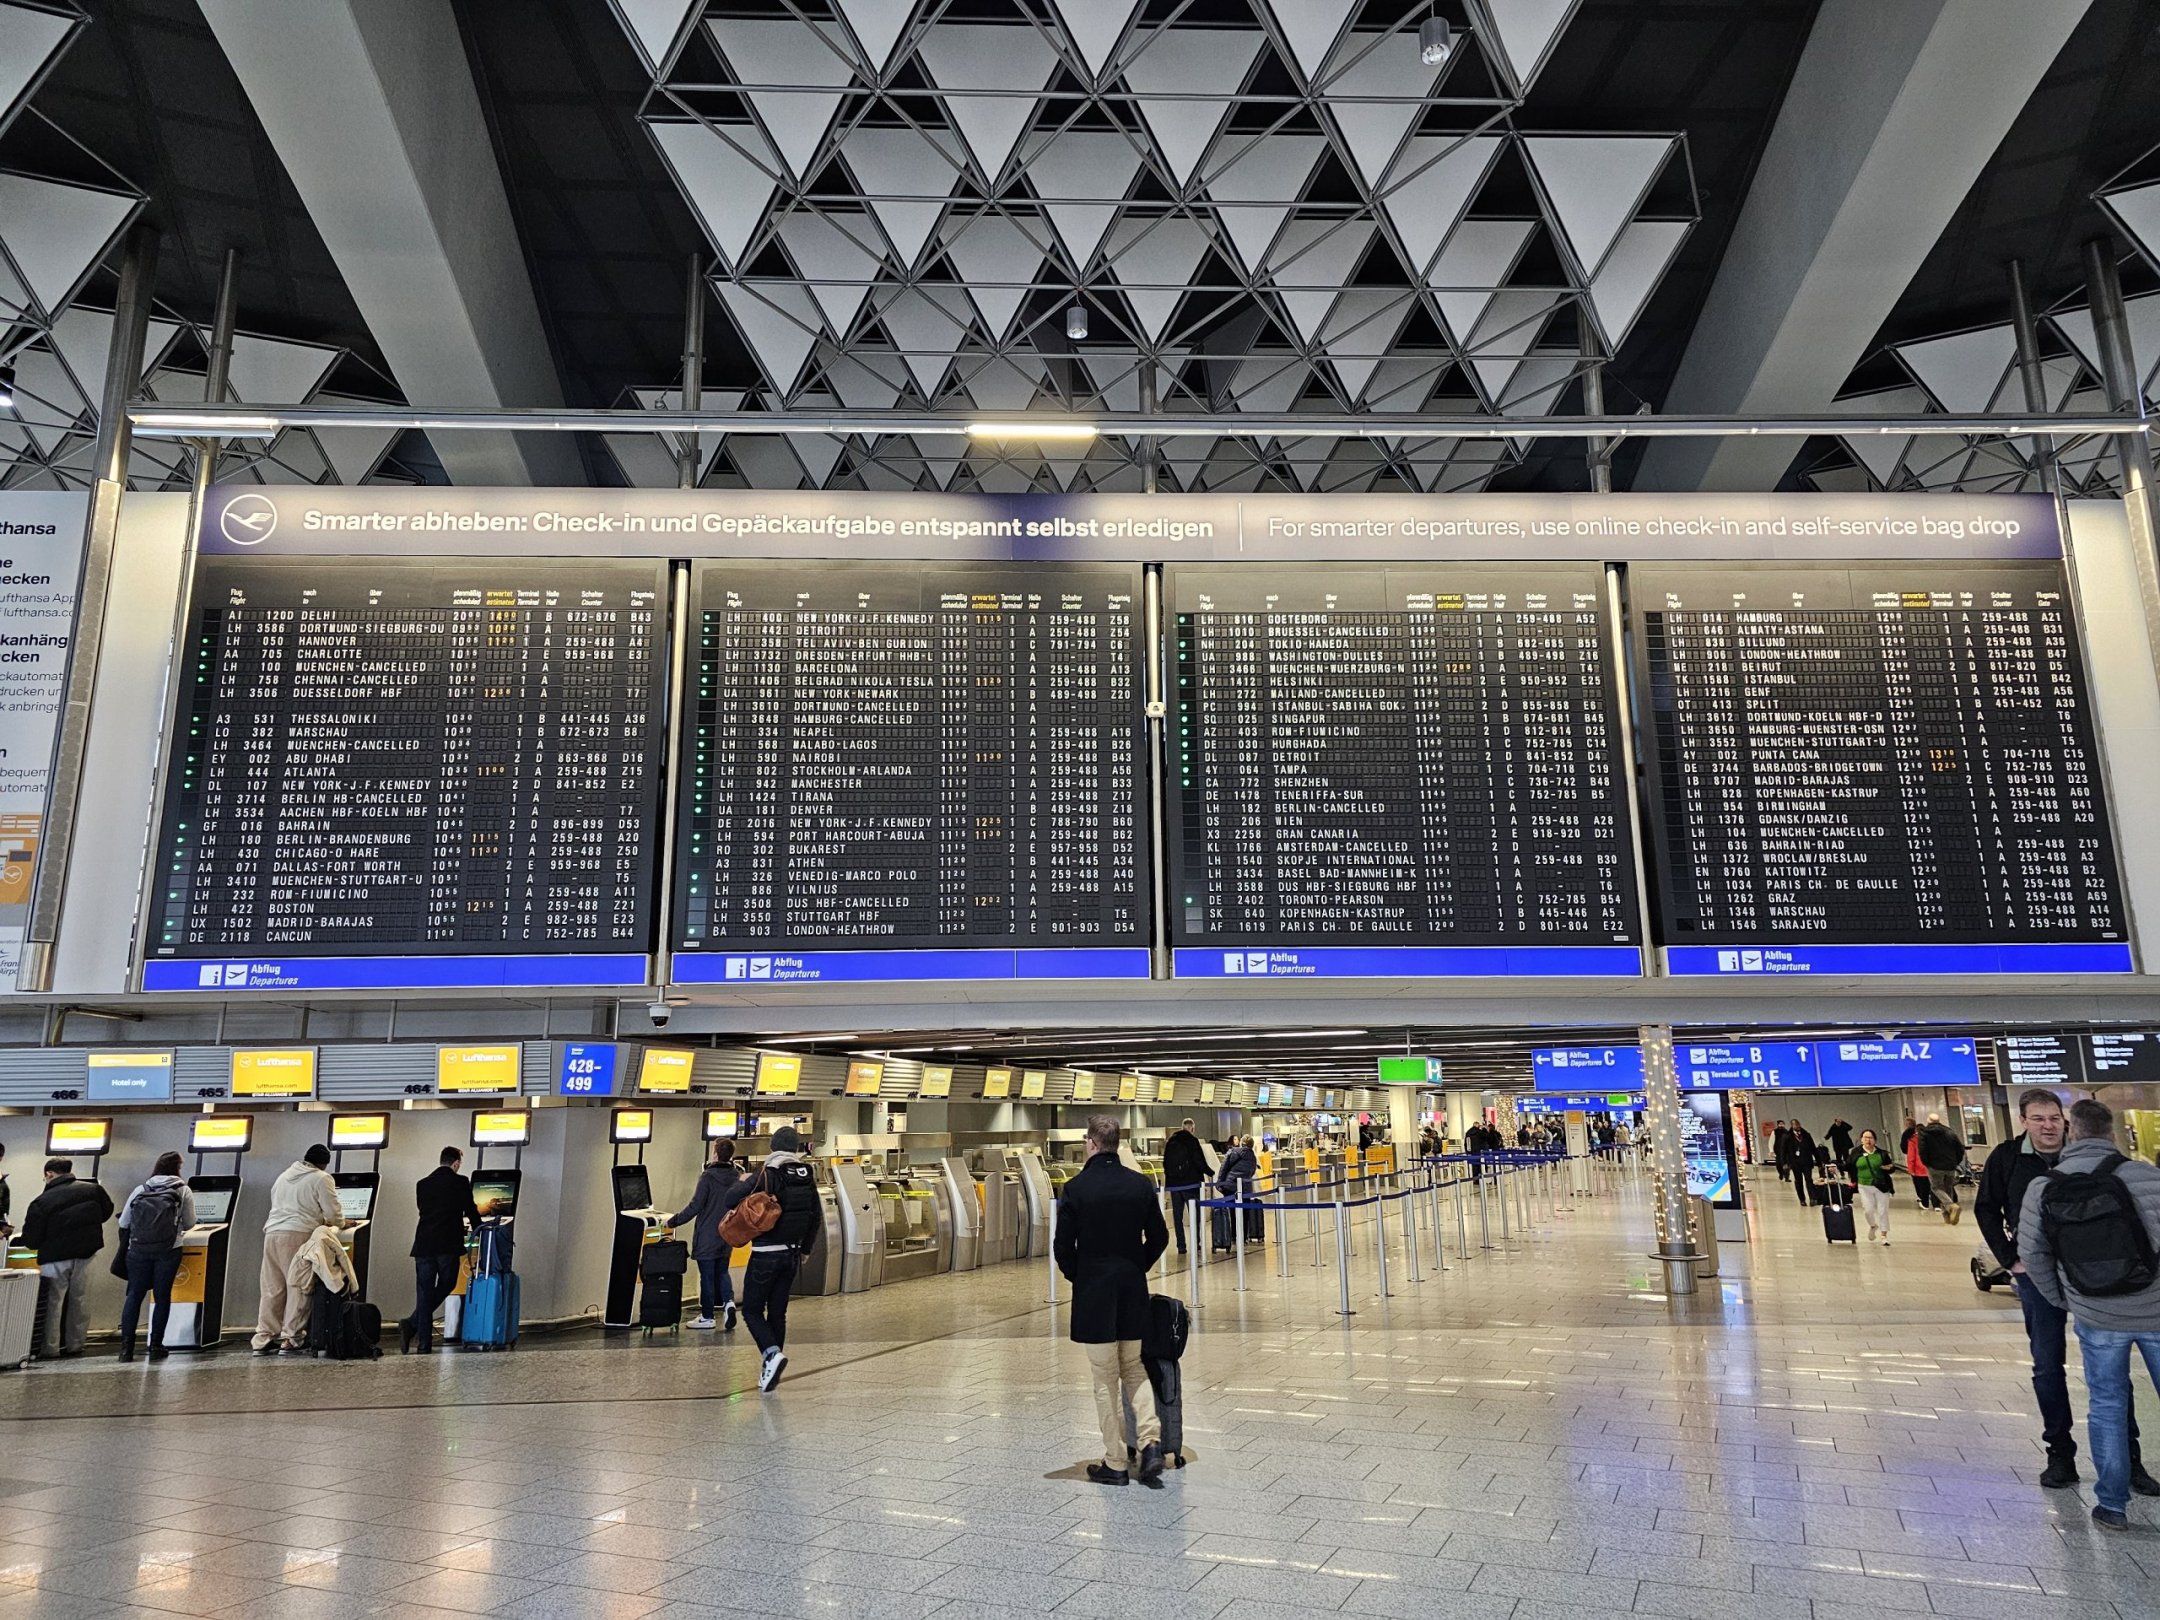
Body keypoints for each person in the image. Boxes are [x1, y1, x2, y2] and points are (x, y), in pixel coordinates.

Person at [1978, 1089, 2156, 1493]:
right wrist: (2011, 1259)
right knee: (2047, 1366)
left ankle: (2129, 1459)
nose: (2048, 1126)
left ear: (2067, 1122)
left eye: (2054, 1118)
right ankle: (2060, 1453)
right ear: (2023, 1121)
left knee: (2111, 1367)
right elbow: (1986, 1208)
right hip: (2039, 1277)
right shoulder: (2007, 1158)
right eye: (2038, 1119)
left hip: (2100, 1277)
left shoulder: (2087, 1156)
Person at [2017, 1098, 2160, 1529]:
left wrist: (2067, 1299)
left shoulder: (2043, 1187)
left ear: (2071, 1132)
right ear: (2113, 1134)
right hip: (2155, 1311)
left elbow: (2032, 1253)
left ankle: (2112, 1505)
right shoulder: (2146, 1176)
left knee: (2107, 1405)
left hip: (2096, 1317)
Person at [1053, 1115, 1170, 1486]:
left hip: (1094, 1293)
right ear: (1117, 1144)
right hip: (1131, 1287)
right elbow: (1160, 1236)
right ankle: (1150, 1443)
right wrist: (1138, 1265)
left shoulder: (1075, 1188)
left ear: (1090, 1143)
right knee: (1134, 1367)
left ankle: (1116, 1462)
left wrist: (1081, 1276)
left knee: (1105, 1376)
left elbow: (1062, 1248)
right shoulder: (1139, 1184)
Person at [719, 1126, 820, 1391]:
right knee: (778, 1312)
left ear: (773, 1147)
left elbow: (729, 1200)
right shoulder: (807, 1175)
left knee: (752, 1310)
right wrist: (806, 1249)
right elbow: (815, 1216)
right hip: (792, 1254)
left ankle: (772, 1354)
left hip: (765, 1254)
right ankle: (771, 1366)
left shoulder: (767, 1173)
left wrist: (743, 1183)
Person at [18, 1157, 113, 1359]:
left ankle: (50, 1348)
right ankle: (75, 1344)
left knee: (53, 1302)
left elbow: (32, 1240)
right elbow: (106, 1212)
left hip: (55, 1258)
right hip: (86, 1254)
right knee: (80, 1300)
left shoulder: (42, 1201)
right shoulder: (94, 1190)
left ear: (49, 1174)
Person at [254, 1144, 342, 1355]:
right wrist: (340, 1222)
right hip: (299, 1234)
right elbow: (332, 1212)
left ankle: (264, 1338)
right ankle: (291, 1338)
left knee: (272, 1288)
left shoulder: (283, 1176)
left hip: (272, 1233)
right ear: (323, 1164)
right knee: (299, 1285)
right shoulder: (321, 1177)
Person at [401, 1146, 481, 1355]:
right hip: (447, 1245)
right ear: (456, 1163)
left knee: (424, 1292)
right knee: (447, 1283)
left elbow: (423, 1210)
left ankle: (422, 1343)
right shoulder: (461, 1182)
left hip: (424, 1245)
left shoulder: (423, 1184)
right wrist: (480, 1229)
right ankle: (411, 1323)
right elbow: (470, 1210)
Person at [115, 1151, 194, 1363]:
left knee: (134, 1296)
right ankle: (156, 1345)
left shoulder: (141, 1189)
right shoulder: (183, 1189)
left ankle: (126, 1349)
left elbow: (123, 1222)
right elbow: (190, 1223)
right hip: (169, 1250)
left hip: (138, 1251)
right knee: (162, 1297)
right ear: (177, 1168)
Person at [669, 1138, 742, 1331]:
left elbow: (696, 1206)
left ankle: (708, 1316)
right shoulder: (736, 1175)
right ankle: (728, 1303)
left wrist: (674, 1220)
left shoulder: (708, 1177)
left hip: (707, 1235)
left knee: (707, 1277)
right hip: (726, 1233)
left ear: (716, 1153)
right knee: (722, 1271)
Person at [1160, 1119, 1208, 1256]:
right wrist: (1208, 1174)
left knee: (1177, 1216)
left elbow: (1165, 1163)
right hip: (1191, 1185)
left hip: (1175, 1186)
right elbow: (1199, 1162)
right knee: (1195, 1216)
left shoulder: (1171, 1141)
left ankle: (1181, 1246)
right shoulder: (1192, 1141)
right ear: (1192, 1128)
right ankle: (1196, 1242)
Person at [1918, 1113, 1966, 1224]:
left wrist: (1927, 1163)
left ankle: (1951, 1207)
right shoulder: (1950, 1132)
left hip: (1934, 1166)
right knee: (1948, 1188)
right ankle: (1948, 1216)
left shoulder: (1924, 1133)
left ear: (1928, 1121)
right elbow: (1960, 1149)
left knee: (1936, 1188)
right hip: (1950, 1165)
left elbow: (1922, 1150)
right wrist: (1955, 1162)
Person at [1850, 1130, 1894, 1244]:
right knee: (1868, 1211)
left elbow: (1891, 1167)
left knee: (1882, 1211)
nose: (1867, 1140)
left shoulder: (1882, 1153)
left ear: (1875, 1140)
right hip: (1864, 1186)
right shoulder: (1856, 1152)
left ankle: (1884, 1236)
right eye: (1865, 1137)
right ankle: (1873, 1226)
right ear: (1861, 1139)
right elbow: (1848, 1165)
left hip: (1881, 1186)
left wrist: (1889, 1168)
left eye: (1870, 1138)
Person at [1216, 1134, 1259, 1247]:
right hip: (1245, 1188)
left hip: (1230, 1186)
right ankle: (1243, 1236)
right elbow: (1252, 1172)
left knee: (1232, 1212)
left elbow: (1223, 1168)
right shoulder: (1252, 1157)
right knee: (1245, 1212)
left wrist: (1220, 1182)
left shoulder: (1233, 1152)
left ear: (1241, 1143)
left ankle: (1233, 1236)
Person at [1902, 1117, 1934, 1209]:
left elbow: (1910, 1156)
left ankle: (1924, 1202)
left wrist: (1910, 1169)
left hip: (1918, 1167)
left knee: (1921, 1186)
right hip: (1931, 1167)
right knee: (1933, 1185)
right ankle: (1936, 1204)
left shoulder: (1912, 1140)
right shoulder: (1931, 1139)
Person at [1785, 1121, 1818, 1206]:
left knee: (1809, 1180)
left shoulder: (1806, 1135)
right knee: (1799, 1182)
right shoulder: (1787, 1136)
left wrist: (1819, 1161)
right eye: (1795, 1125)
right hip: (1795, 1164)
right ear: (1792, 1126)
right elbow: (1783, 1150)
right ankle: (1802, 1199)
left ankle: (1812, 1198)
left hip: (1806, 1162)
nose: (1798, 1126)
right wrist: (1785, 1163)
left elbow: (1813, 1148)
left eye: (1799, 1124)